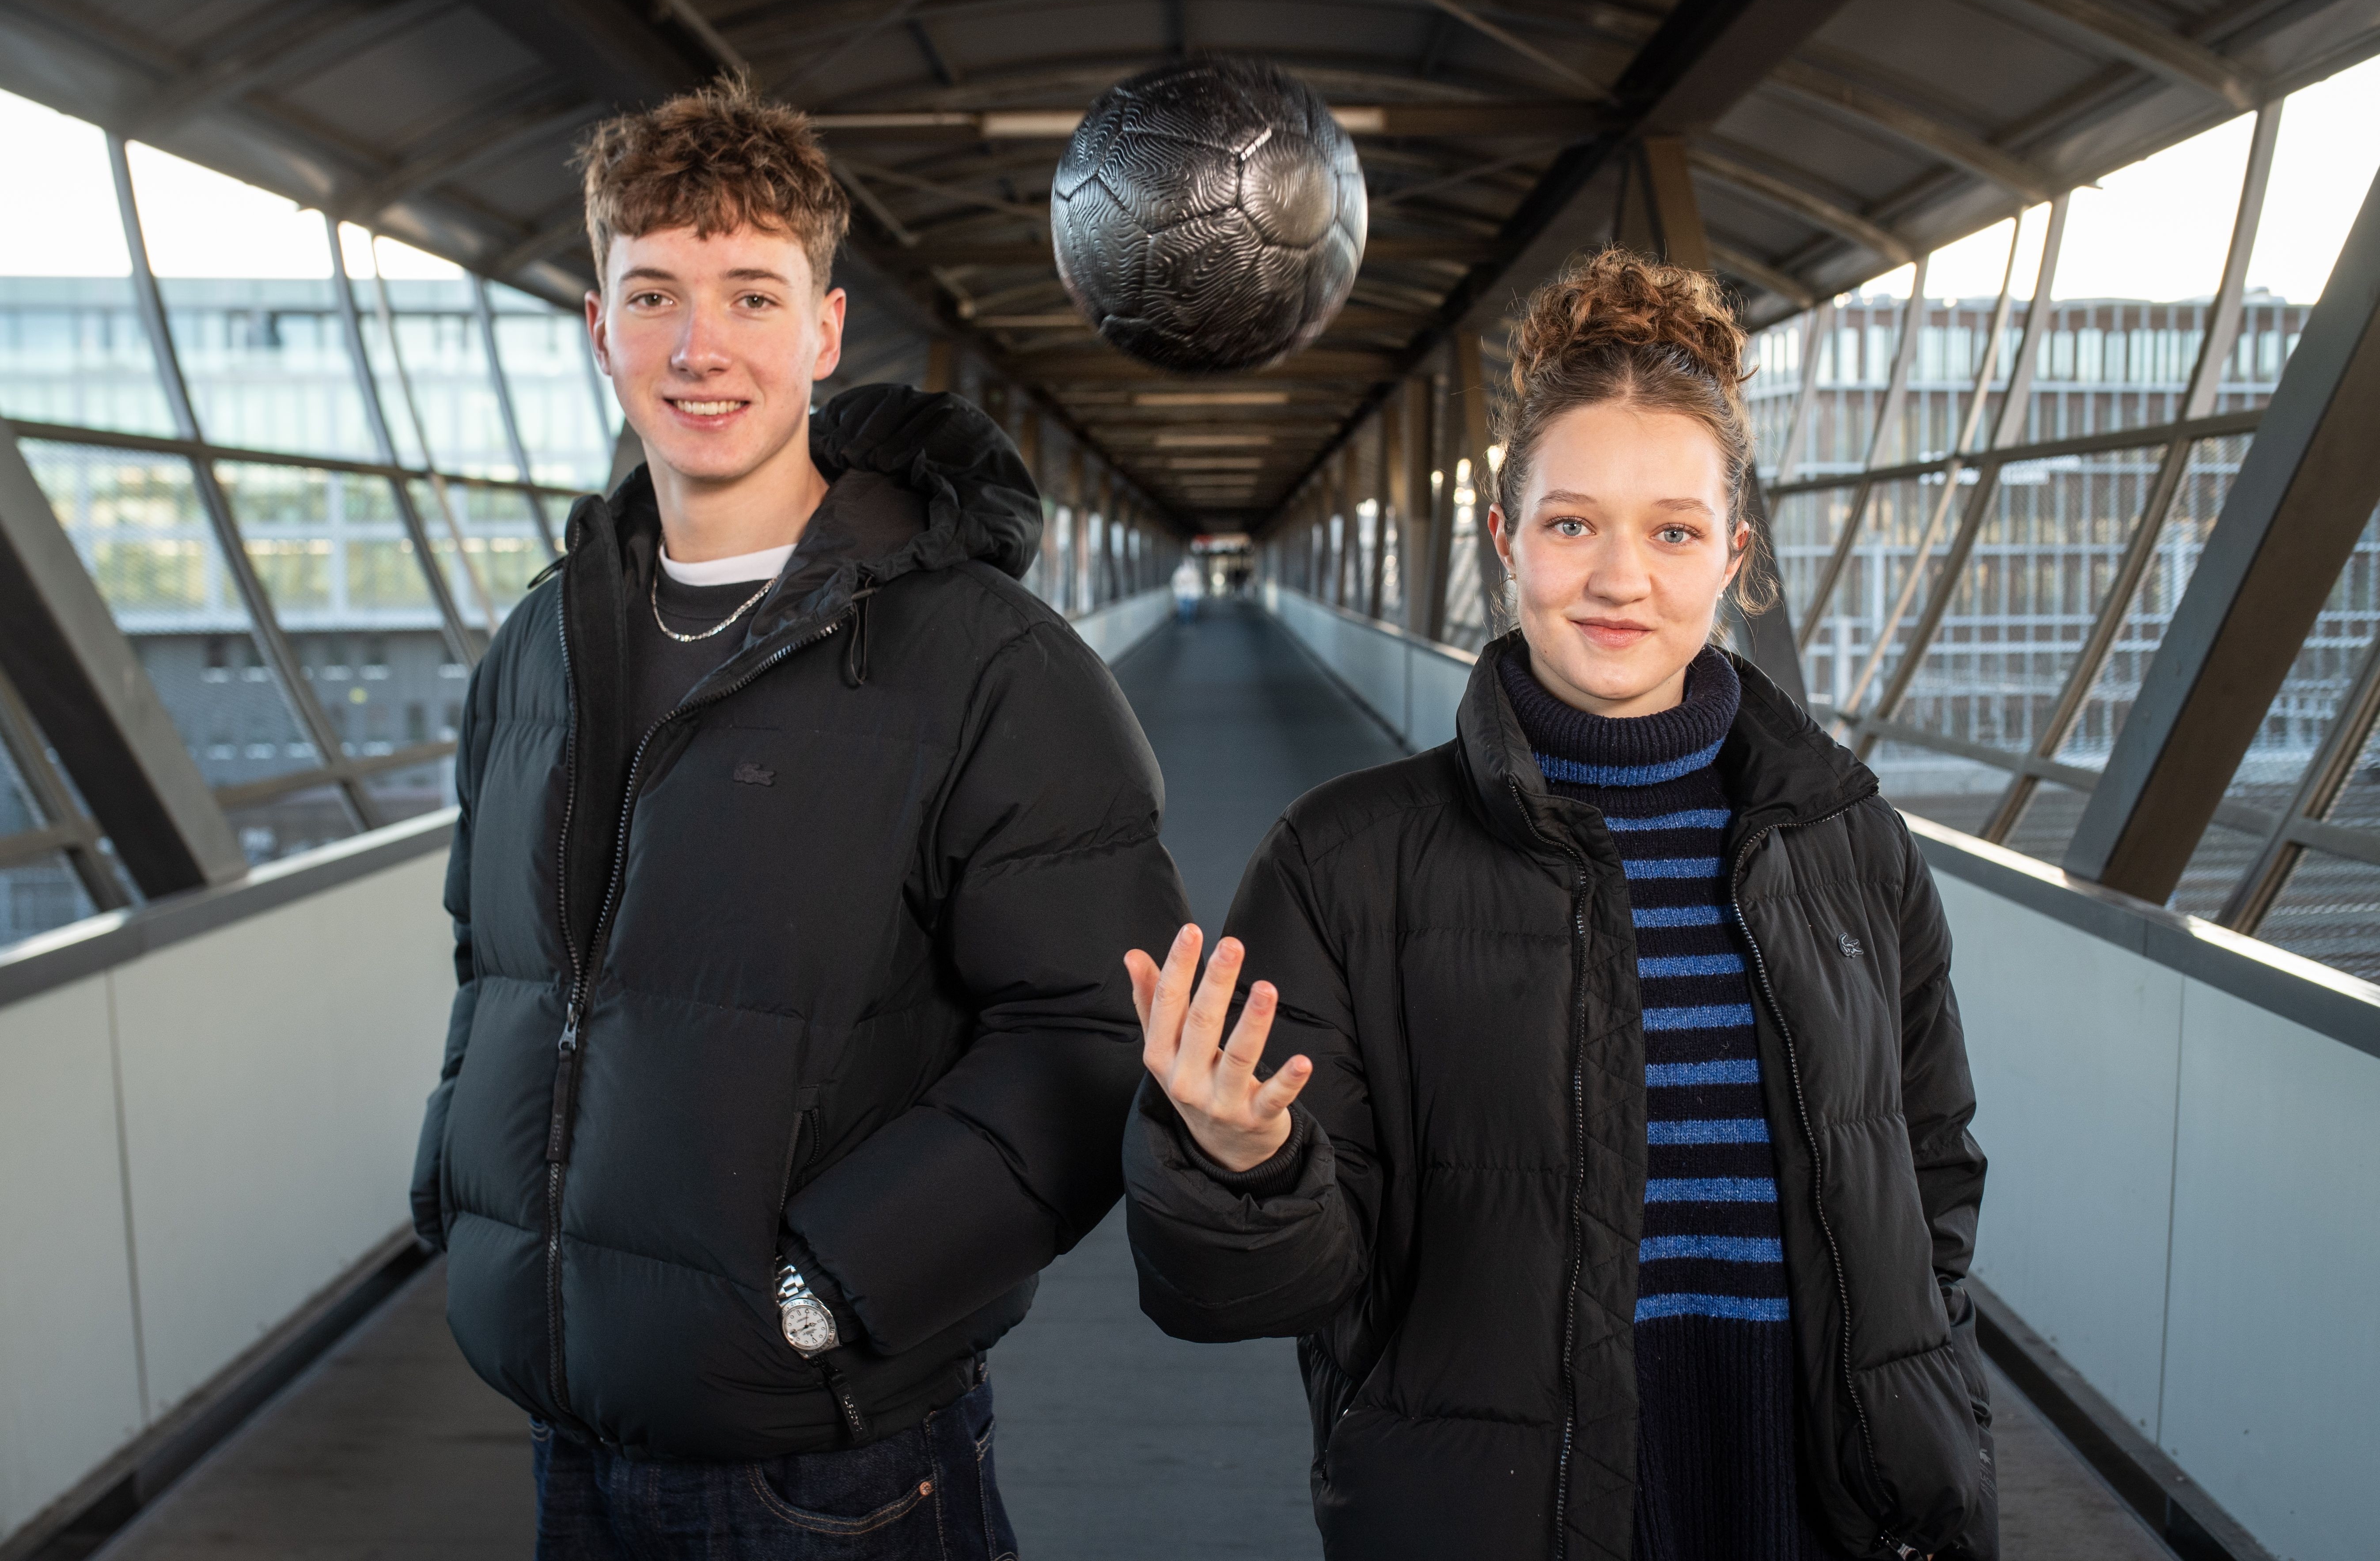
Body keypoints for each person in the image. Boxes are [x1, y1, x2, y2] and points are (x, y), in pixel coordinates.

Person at [409, 79, 1188, 1558]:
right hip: (568, 1431)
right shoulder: (536, 648)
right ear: (598, 329)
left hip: (825, 1469)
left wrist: (829, 1284)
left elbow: (1091, 1036)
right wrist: (460, 1180)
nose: (700, 348)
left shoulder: (984, 663)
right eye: (655, 296)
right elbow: (490, 959)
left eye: (751, 295)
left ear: (823, 334)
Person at [1120, 251, 1995, 1561]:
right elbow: (1244, 1291)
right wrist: (1238, 1167)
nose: (1618, 579)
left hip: (1830, 1506)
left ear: (1732, 556)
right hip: (1506, 1514)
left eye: (1673, 532)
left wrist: (1934, 1407)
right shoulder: (1347, 861)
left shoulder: (1845, 843)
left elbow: (1926, 1166)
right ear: (1503, 539)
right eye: (1572, 523)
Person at [1173, 554, 1204, 621]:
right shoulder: (1179, 571)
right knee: (1183, 608)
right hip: (1182, 592)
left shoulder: (1195, 571)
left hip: (1192, 592)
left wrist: (1188, 581)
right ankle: (1184, 620)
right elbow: (1176, 580)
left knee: (1191, 607)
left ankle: (1190, 620)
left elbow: (1197, 580)